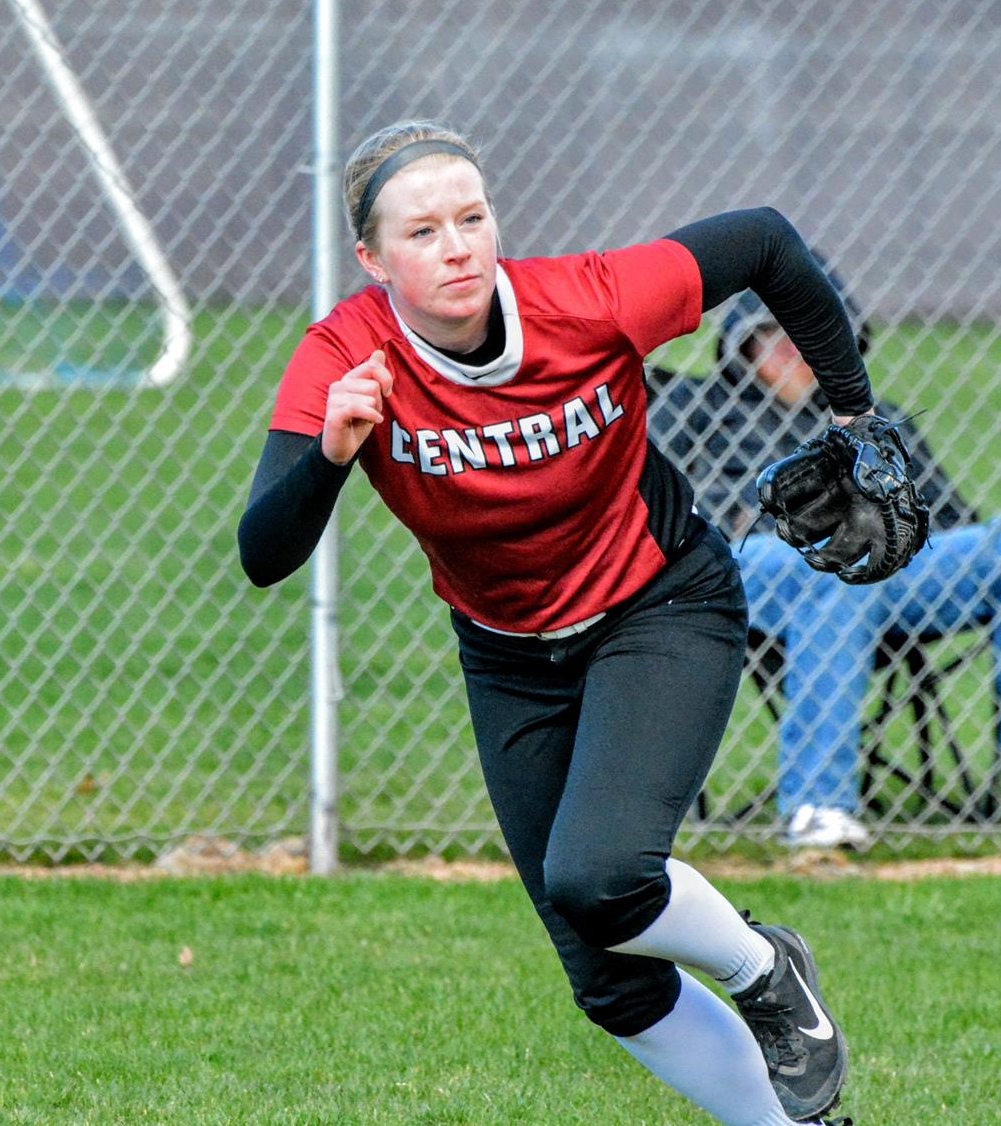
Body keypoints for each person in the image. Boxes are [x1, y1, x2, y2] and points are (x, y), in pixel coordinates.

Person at [239, 120, 866, 1126]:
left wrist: (852, 415)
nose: (456, 246)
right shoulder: (345, 354)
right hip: (507, 655)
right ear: (370, 257)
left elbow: (763, 241)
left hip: (657, 604)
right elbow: (262, 554)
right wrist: (329, 453)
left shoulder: (585, 299)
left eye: (471, 218)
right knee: (606, 977)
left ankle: (764, 970)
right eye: (421, 231)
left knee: (599, 872)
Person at [653, 265, 1001, 850]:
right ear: (741, 343)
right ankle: (819, 807)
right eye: (772, 334)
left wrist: (895, 526)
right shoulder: (700, 408)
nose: (792, 350)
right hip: (753, 571)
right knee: (835, 559)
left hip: (888, 576)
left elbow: (948, 520)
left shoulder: (867, 418)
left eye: (807, 335)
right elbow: (675, 519)